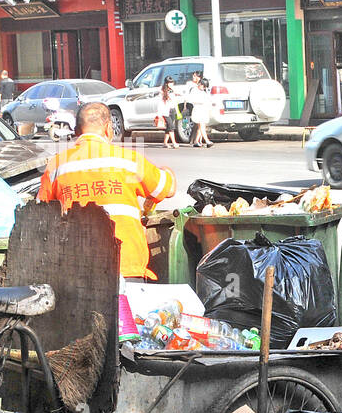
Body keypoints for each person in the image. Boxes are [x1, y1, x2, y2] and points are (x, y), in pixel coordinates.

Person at [37, 102, 175, 281]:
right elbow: (168, 189)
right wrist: (167, 172)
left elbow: (39, 215)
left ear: (77, 132)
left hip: (76, 269)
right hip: (125, 265)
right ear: (109, 128)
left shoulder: (56, 165)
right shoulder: (128, 160)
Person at [187, 72, 213, 148]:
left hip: (203, 110)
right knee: (201, 126)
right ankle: (207, 141)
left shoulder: (203, 91)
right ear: (200, 84)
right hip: (198, 110)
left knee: (201, 127)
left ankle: (196, 141)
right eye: (203, 86)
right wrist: (202, 102)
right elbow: (192, 100)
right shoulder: (194, 90)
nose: (204, 88)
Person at [159, 76, 180, 148]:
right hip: (165, 111)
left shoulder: (173, 90)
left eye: (172, 82)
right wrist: (159, 113)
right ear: (166, 83)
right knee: (171, 127)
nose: (171, 84)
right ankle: (174, 143)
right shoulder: (162, 91)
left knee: (168, 128)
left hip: (172, 109)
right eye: (169, 83)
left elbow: (175, 98)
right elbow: (160, 102)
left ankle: (165, 143)